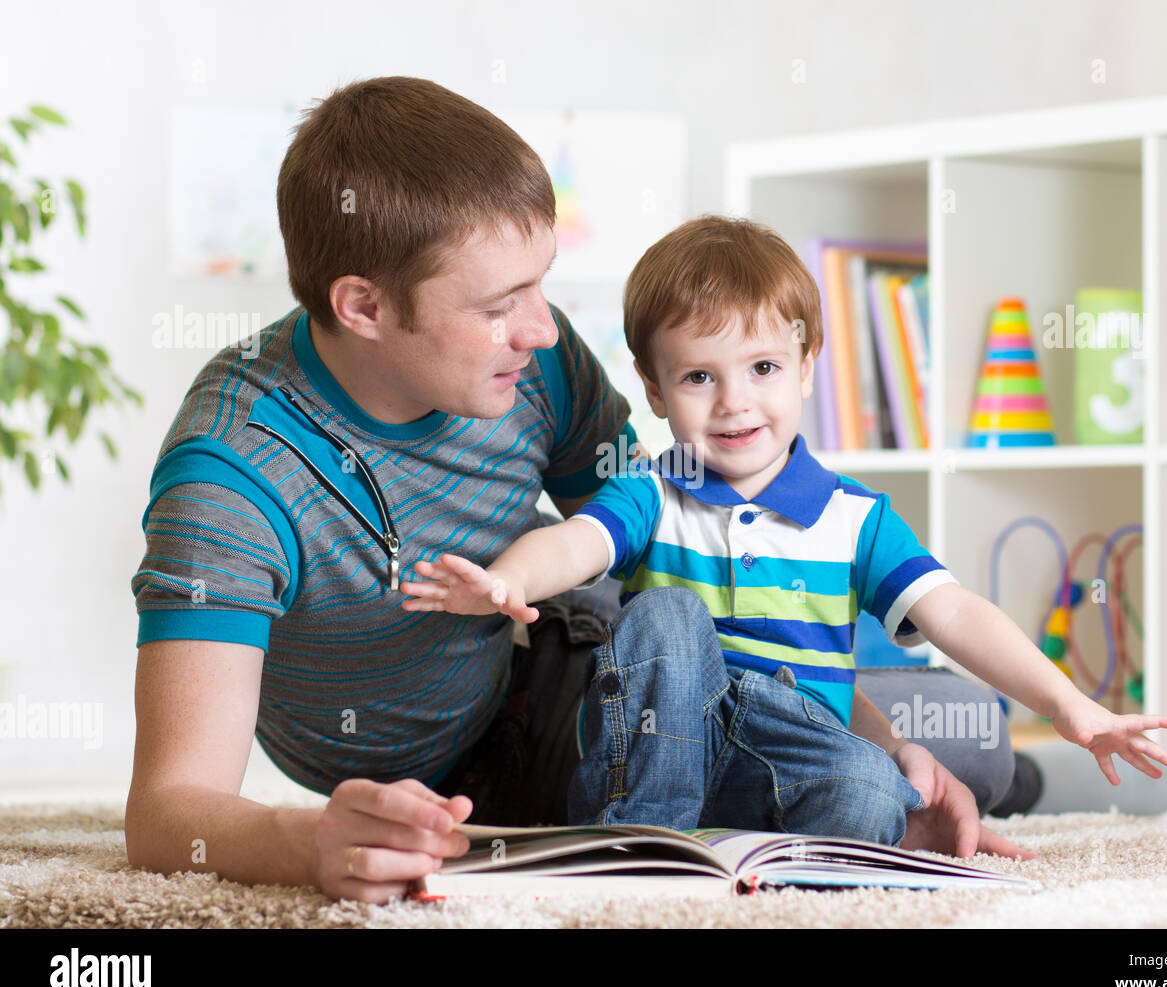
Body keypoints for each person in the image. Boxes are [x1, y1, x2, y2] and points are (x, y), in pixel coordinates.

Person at [122, 75, 1063, 908]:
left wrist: (882, 749)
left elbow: (704, 564)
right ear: (362, 306)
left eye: (541, 287)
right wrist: (310, 842)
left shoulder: (541, 362)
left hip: (580, 678)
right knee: (897, 742)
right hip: (456, 772)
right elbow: (168, 814)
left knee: (947, 745)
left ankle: (1033, 773)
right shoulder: (231, 476)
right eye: (498, 309)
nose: (541, 328)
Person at [401, 215, 1167, 846]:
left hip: (788, 739)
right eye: (700, 377)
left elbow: (958, 614)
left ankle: (770, 850)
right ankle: (643, 840)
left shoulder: (855, 520)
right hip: (662, 734)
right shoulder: (652, 491)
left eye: (763, 369)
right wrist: (506, 580)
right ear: (656, 389)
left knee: (873, 790)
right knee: (666, 615)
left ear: (808, 366)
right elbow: (575, 546)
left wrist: (1070, 706)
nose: (735, 402)